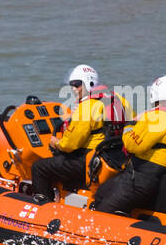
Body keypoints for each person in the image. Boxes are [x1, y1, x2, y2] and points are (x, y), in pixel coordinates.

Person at [92, 75, 166, 215]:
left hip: (143, 179)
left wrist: (132, 123)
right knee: (102, 192)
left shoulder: (157, 117)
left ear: (154, 94)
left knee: (104, 209)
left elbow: (130, 145)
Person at [30, 64, 126, 203]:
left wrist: (56, 143)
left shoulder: (86, 107)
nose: (73, 89)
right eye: (72, 85)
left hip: (89, 161)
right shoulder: (118, 100)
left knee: (39, 167)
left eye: (76, 84)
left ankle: (44, 207)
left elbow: (70, 144)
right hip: (114, 156)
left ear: (88, 83)